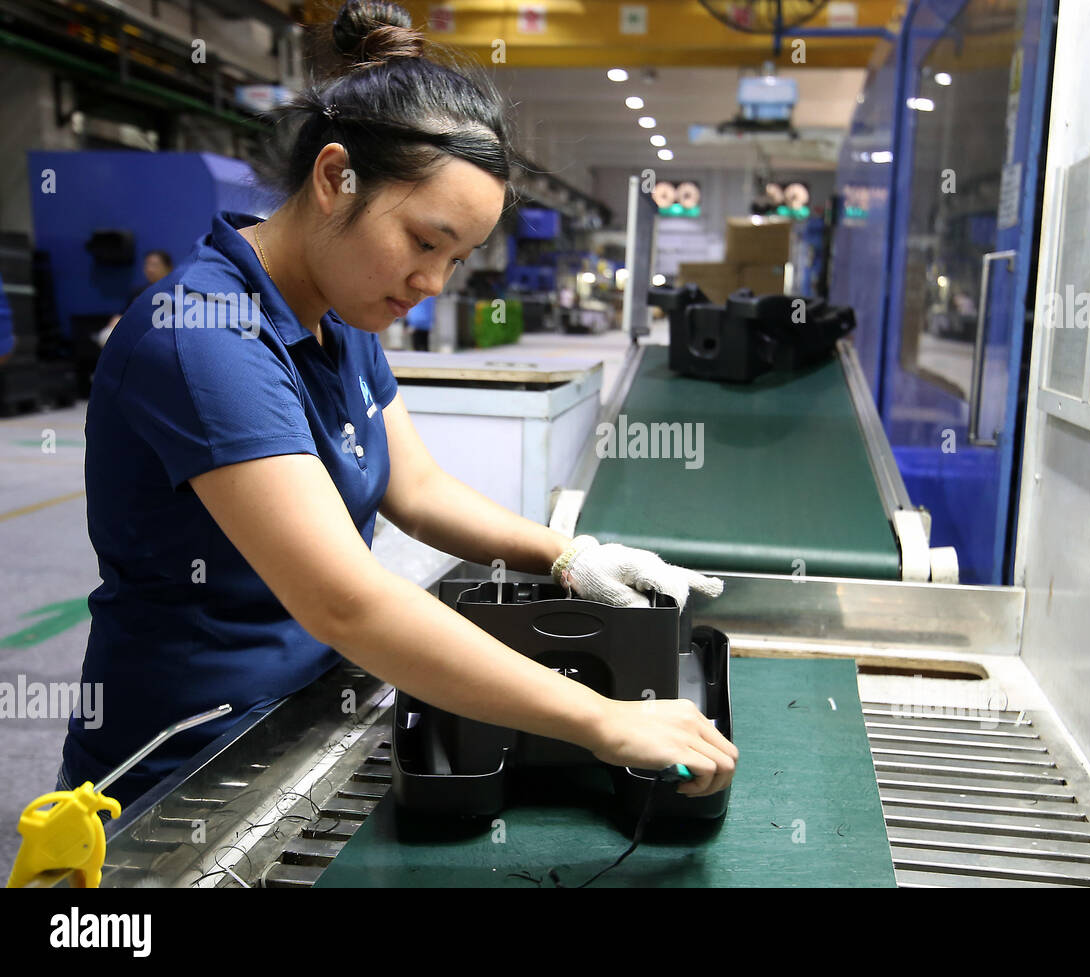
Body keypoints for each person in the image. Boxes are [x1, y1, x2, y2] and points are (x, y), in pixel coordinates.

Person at [57, 0, 737, 813]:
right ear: (334, 177)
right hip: (181, 769)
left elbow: (416, 490)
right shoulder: (205, 337)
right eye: (424, 241)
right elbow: (344, 597)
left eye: (457, 257)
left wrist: (566, 555)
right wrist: (604, 720)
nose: (433, 284)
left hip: (302, 723)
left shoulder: (340, 317)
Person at [96, 249, 173, 348]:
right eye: (147, 265)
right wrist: (116, 322)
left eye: (155, 265)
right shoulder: (138, 293)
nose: (150, 269)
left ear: (168, 268)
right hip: (137, 333)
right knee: (106, 336)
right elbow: (123, 315)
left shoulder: (175, 292)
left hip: (162, 336)